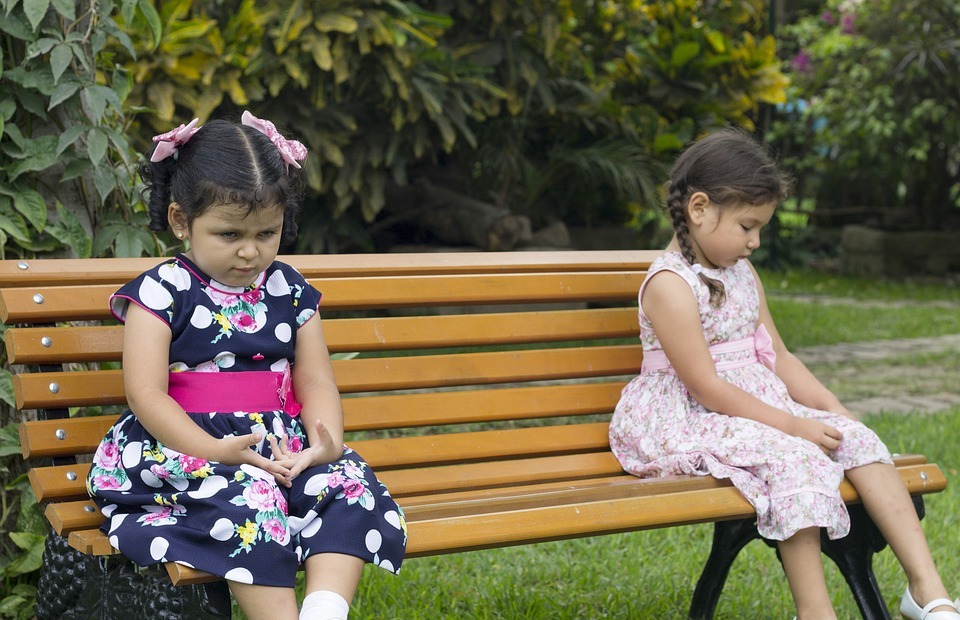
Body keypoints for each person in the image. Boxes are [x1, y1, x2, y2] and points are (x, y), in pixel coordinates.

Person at [608, 128, 957, 620]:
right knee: (795, 456)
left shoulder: (742, 274)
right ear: (700, 208)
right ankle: (815, 612)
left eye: (760, 229)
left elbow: (781, 357)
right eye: (748, 226)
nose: (754, 242)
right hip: (685, 417)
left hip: (749, 410)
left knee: (854, 438)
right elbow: (705, 386)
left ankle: (926, 591)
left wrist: (832, 409)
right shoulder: (670, 284)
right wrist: (794, 424)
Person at [86, 112, 406, 620]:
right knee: (249, 502)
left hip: (281, 446)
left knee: (346, 482)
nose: (250, 251)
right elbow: (145, 395)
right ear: (180, 221)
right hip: (186, 445)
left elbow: (317, 379)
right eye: (230, 234)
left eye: (268, 232)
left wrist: (327, 443)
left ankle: (324, 610)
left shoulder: (289, 288)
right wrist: (212, 449)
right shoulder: (163, 290)